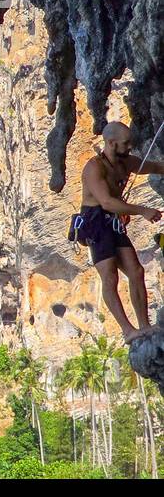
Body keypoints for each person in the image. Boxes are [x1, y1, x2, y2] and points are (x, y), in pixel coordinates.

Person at [78, 122, 164, 340]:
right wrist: (142, 210)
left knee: (136, 271)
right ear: (111, 143)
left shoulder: (126, 163)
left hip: (113, 221)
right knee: (110, 276)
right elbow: (106, 202)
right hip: (95, 222)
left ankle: (144, 325)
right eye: (125, 144)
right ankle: (127, 330)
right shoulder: (94, 167)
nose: (129, 147)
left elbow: (154, 167)